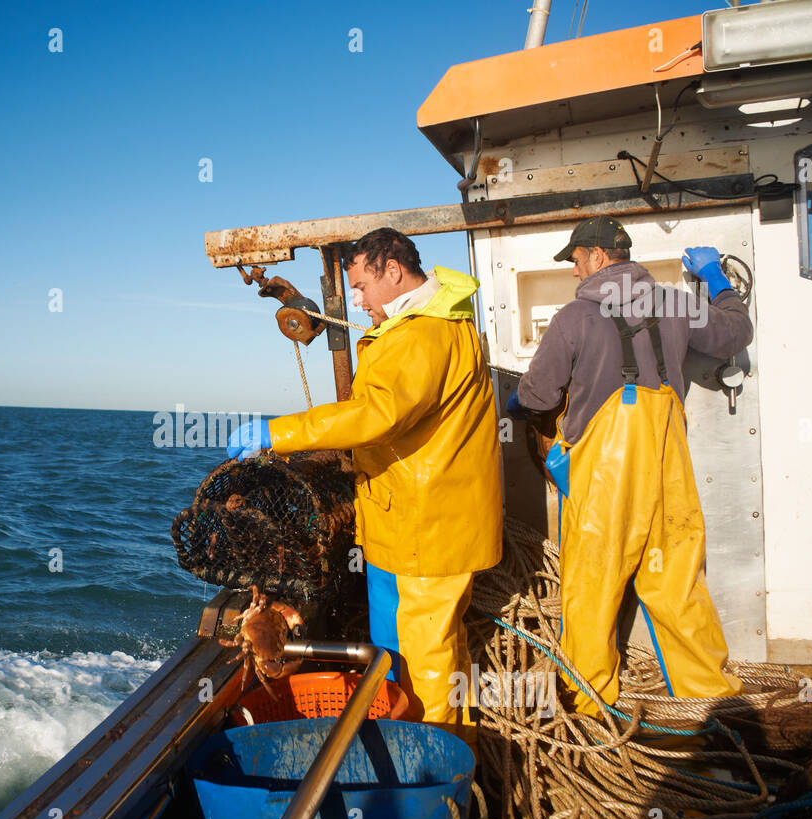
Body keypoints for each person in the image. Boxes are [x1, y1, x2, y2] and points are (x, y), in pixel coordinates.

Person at [227, 228, 502, 745]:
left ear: (392, 272)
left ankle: (435, 762)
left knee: (428, 660)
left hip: (428, 526)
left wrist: (279, 433)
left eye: (360, 286)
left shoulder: (422, 334)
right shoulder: (440, 325)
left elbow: (376, 414)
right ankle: (456, 748)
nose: (357, 300)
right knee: (437, 648)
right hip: (418, 519)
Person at [506, 215, 752, 717]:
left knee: (592, 580)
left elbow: (537, 395)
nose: (575, 272)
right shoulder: (679, 304)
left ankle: (590, 701)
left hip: (604, 475)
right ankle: (708, 695)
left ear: (597, 257)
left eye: (576, 260)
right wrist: (716, 280)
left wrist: (521, 407)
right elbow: (734, 334)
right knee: (677, 576)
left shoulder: (572, 319)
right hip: (668, 462)